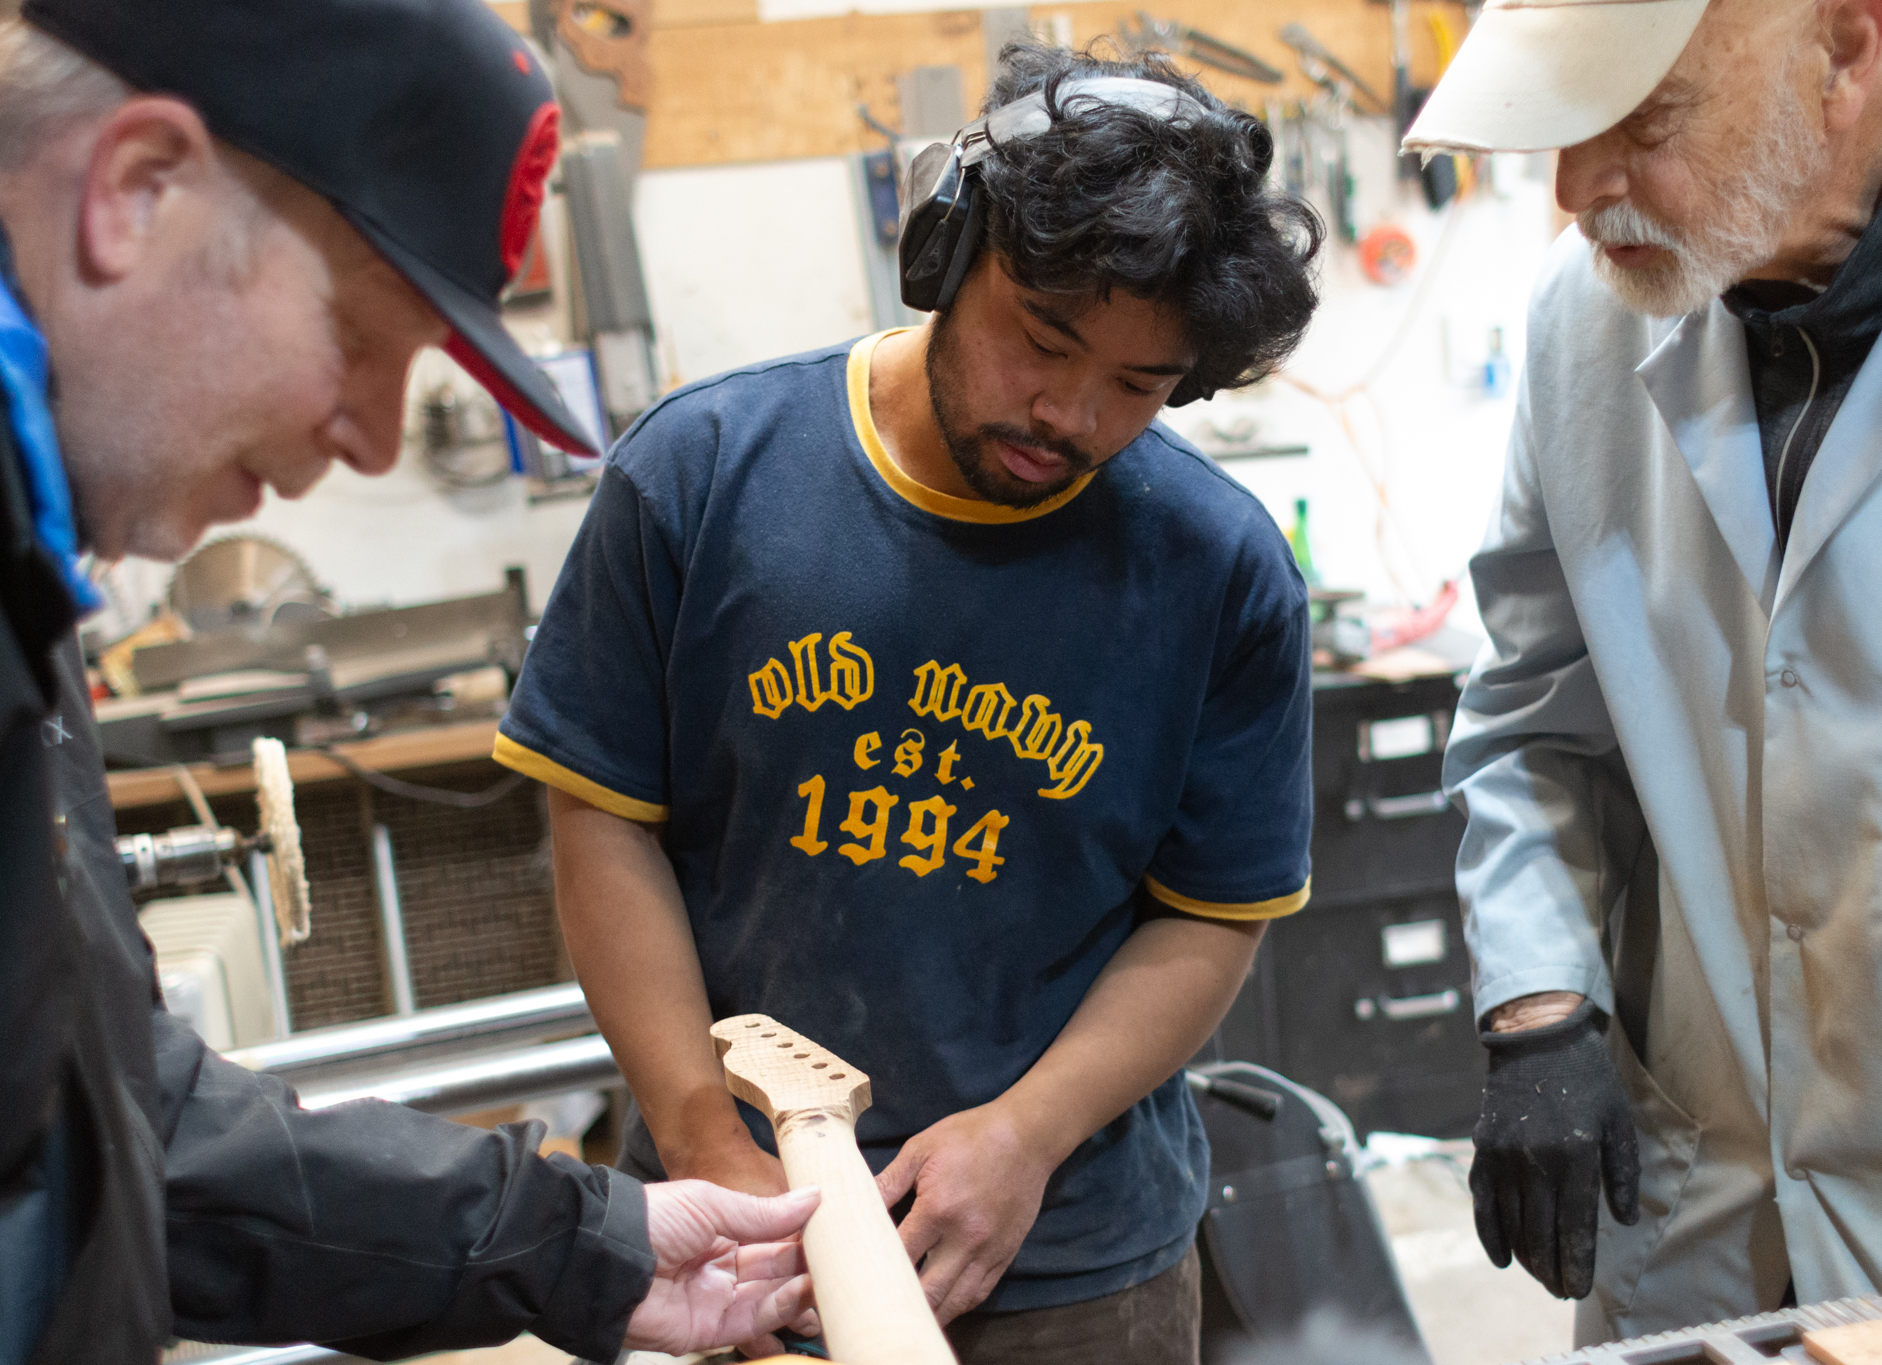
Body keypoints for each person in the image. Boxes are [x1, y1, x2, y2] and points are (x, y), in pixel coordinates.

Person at [0, 1, 826, 1361]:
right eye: (363, 337)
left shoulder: (33, 574)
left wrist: (590, 1248)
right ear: (139, 192)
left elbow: (124, 1128)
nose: (379, 440)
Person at [490, 41, 1322, 1362]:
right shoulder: (699, 481)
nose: (1069, 413)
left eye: (1139, 384)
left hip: (1072, 1262)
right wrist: (707, 1131)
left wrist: (1027, 1133)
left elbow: (1210, 919)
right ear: (949, 253)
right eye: (1043, 338)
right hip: (734, 1230)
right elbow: (604, 827)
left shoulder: (1219, 570)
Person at [1402, 0, 1882, 1344]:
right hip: (1699, 1215)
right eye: (1559, 133)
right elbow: (1531, 717)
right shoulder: (1590, 320)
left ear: (1848, 44)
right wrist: (1538, 1003)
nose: (1576, 191)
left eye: (1644, 120)